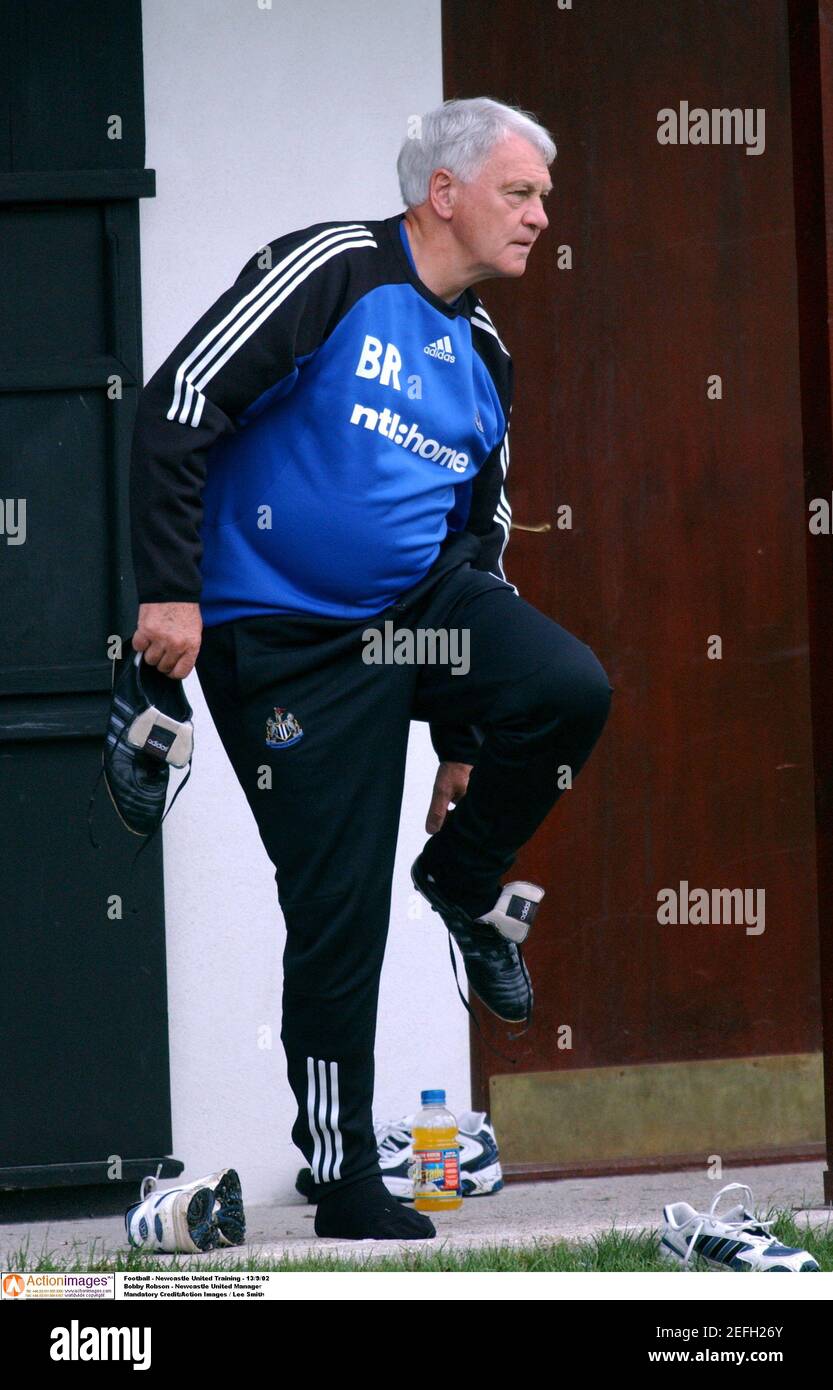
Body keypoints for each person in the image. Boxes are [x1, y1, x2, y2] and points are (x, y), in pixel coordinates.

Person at [128, 96, 613, 1241]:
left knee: (565, 687)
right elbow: (179, 401)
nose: (542, 214)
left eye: (543, 196)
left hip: (414, 620)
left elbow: (476, 537)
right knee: (337, 913)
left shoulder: (484, 351)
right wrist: (169, 589)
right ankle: (344, 1175)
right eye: (520, 192)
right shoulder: (333, 270)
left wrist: (458, 742)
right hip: (287, 644)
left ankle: (460, 878)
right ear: (441, 192)